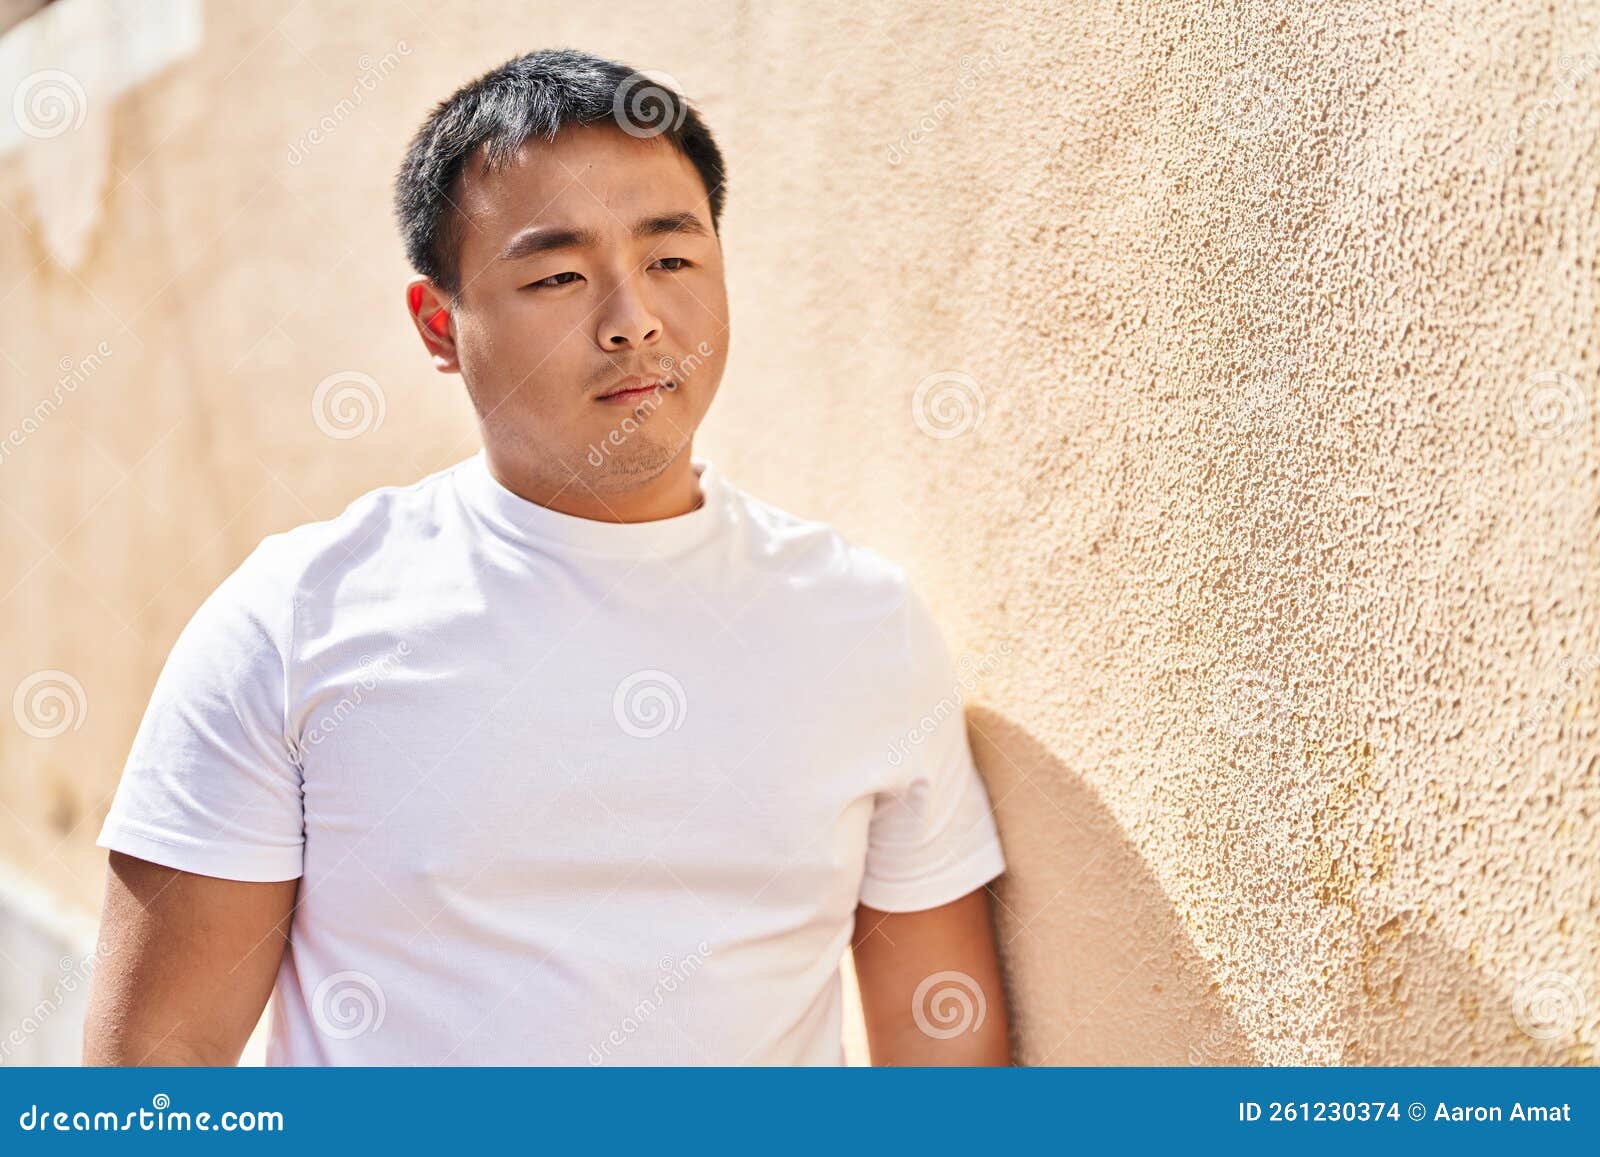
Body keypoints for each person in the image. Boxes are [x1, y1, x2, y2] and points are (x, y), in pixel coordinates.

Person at [83, 48, 1009, 1066]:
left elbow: (946, 1072)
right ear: (440, 325)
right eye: (559, 275)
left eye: (671, 259)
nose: (633, 320)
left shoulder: (860, 624)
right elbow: (154, 1072)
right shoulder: (296, 619)